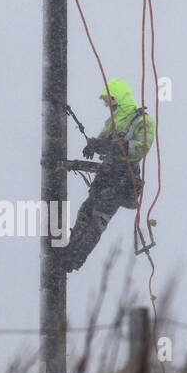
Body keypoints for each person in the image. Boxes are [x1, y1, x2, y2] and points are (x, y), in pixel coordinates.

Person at [61, 78, 154, 273]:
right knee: (86, 212)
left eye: (110, 102)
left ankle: (74, 258)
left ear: (119, 99)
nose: (108, 107)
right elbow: (103, 138)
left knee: (98, 218)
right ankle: (69, 251)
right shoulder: (113, 122)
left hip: (123, 180)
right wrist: (93, 144)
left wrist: (108, 146)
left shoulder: (142, 122)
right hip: (106, 176)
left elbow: (139, 149)